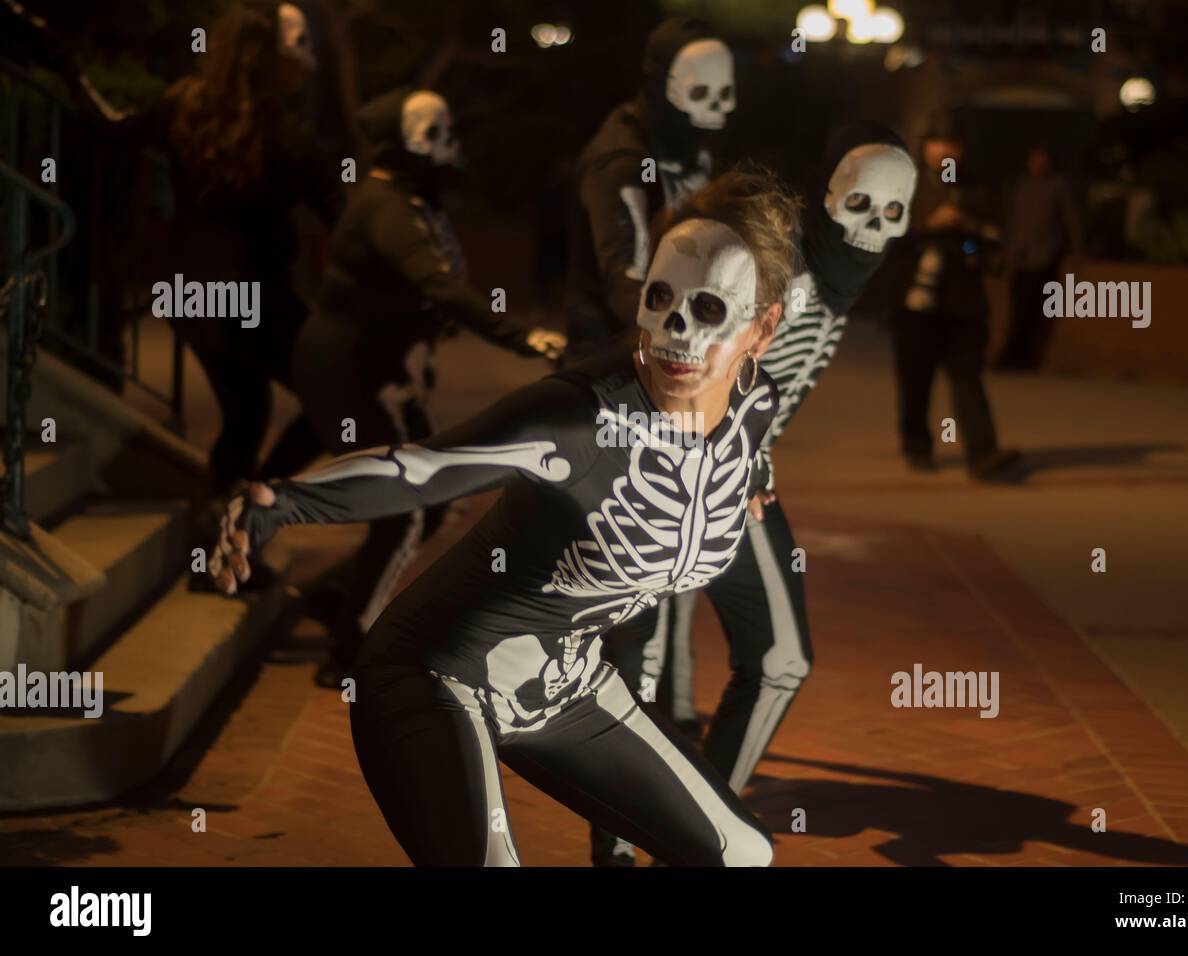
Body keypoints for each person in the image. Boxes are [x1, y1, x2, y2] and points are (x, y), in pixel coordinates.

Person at [210, 169, 800, 867]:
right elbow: (424, 468)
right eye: (659, 298)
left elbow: (743, 444)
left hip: (569, 686)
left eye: (708, 310)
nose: (674, 330)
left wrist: (752, 478)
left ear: (762, 330)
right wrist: (286, 503)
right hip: (434, 677)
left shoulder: (754, 403)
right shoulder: (578, 417)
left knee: (745, 856)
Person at [591, 123, 918, 866]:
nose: (871, 229)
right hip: (674, 471)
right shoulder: (785, 277)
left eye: (891, 215)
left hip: (736, 477)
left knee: (769, 661)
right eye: (861, 204)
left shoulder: (829, 279)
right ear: (828, 198)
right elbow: (699, 363)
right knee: (640, 672)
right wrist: (736, 457)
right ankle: (638, 843)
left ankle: (698, 829)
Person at [290, 87, 565, 687]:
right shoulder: (386, 206)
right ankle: (350, 650)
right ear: (403, 142)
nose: (452, 149)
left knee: (435, 499)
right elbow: (438, 287)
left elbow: (426, 298)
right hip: (351, 372)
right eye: (435, 135)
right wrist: (519, 339)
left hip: (385, 372)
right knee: (405, 509)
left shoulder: (409, 201)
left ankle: (334, 598)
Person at [158, 1, 342, 493]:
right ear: (268, 59)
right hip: (250, 294)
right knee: (335, 397)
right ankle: (250, 515)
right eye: (298, 51)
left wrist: (59, 62)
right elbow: (342, 215)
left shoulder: (181, 107)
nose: (309, 66)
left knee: (245, 417)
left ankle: (228, 529)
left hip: (188, 294)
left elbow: (111, 130)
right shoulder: (287, 136)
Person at [564, 16, 736, 360]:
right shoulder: (621, 164)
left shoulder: (693, 150)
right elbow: (625, 282)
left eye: (726, 94)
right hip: (612, 362)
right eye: (700, 93)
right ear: (662, 85)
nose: (718, 109)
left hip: (672, 348)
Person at [888, 117, 1019, 480]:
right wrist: (927, 225)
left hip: (963, 302)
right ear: (925, 147)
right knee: (916, 381)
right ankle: (917, 445)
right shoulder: (905, 187)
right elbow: (883, 239)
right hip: (915, 303)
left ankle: (983, 454)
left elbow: (996, 239)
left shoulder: (977, 189)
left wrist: (969, 228)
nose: (946, 152)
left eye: (953, 145)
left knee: (968, 378)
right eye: (938, 143)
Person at [997, 146, 1083, 370]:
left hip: (1044, 257)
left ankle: (1021, 358)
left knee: (1034, 311)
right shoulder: (1022, 185)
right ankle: (1012, 356)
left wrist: (1077, 248)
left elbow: (1069, 218)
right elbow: (1013, 220)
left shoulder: (1058, 186)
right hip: (1020, 257)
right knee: (1018, 308)